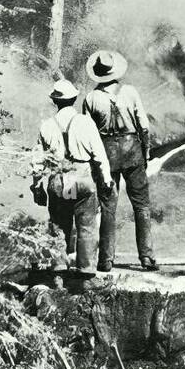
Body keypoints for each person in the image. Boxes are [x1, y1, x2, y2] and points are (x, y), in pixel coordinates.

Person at [82, 50, 157, 272]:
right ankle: (147, 258)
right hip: (132, 150)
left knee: (108, 207)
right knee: (142, 205)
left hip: (106, 154)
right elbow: (143, 124)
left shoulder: (91, 98)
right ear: (115, 70)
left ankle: (105, 260)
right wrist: (146, 152)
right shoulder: (130, 92)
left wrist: (93, 162)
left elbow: (88, 132)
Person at [32, 77, 113, 281]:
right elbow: (99, 154)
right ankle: (86, 269)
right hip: (82, 176)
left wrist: (36, 186)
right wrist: (106, 179)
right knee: (86, 224)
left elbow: (37, 160)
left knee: (58, 225)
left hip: (58, 178)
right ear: (74, 99)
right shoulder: (86, 122)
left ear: (55, 101)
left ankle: (59, 267)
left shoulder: (47, 125)